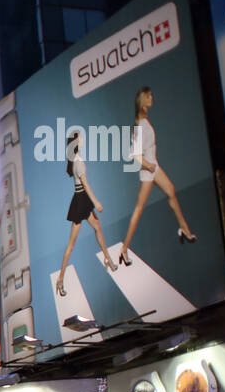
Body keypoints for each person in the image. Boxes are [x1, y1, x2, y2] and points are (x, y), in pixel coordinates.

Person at [119, 86, 197, 265]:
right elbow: (135, 154)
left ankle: (184, 229)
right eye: (149, 96)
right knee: (139, 209)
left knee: (171, 190)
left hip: (154, 167)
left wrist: (152, 164)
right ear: (143, 100)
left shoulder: (144, 120)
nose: (152, 98)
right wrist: (148, 165)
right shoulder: (140, 125)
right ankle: (124, 249)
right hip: (149, 170)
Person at [55, 130, 117, 298]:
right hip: (81, 200)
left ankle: (107, 258)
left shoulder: (75, 159)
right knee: (72, 244)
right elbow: (86, 185)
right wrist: (96, 202)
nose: (83, 139)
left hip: (80, 199)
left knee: (97, 226)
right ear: (76, 142)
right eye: (80, 137)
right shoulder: (78, 161)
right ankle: (60, 280)